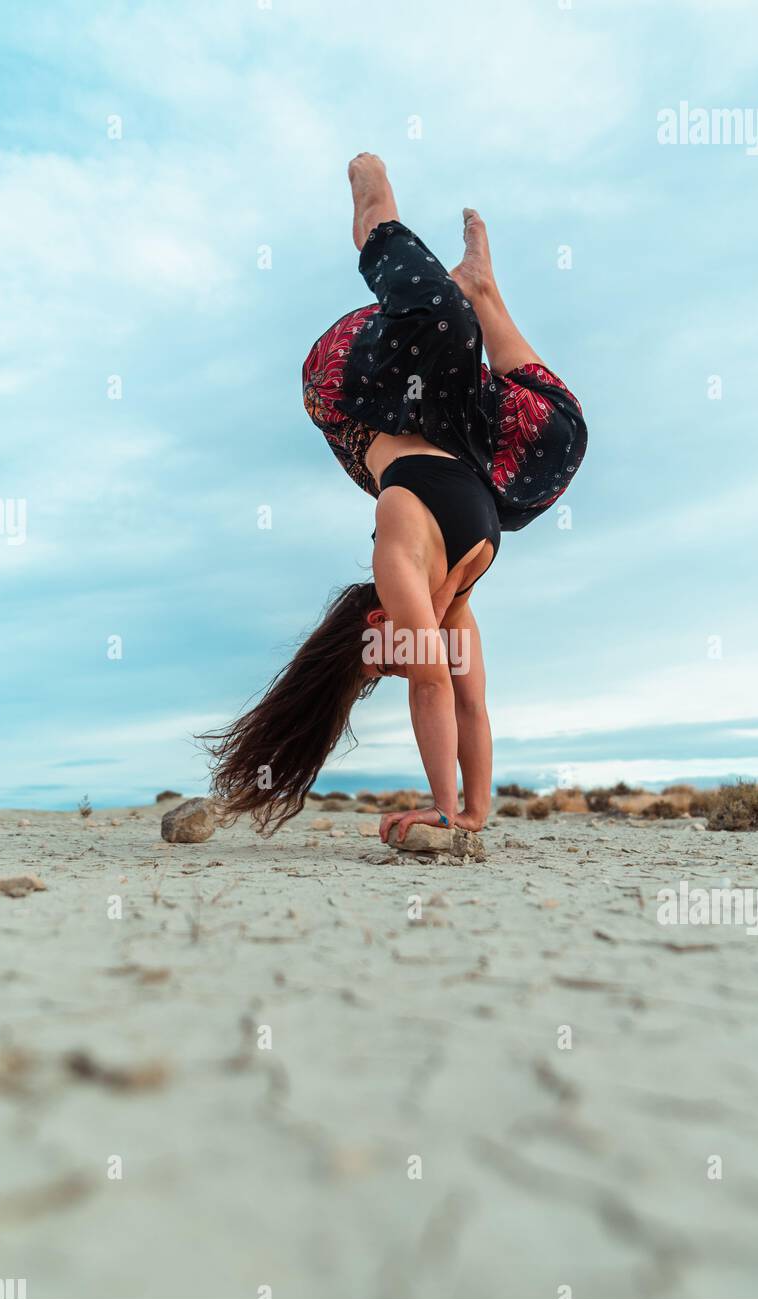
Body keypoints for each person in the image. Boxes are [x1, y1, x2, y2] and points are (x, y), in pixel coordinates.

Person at [204, 155, 587, 845]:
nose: (400, 659)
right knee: (556, 435)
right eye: (390, 663)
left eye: (379, 654)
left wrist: (436, 809)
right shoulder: (456, 608)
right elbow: (467, 703)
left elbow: (429, 689)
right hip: (465, 431)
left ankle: (373, 209)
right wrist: (467, 812)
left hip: (351, 396)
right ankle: (485, 293)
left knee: (435, 313)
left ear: (375, 619)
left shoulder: (397, 562)